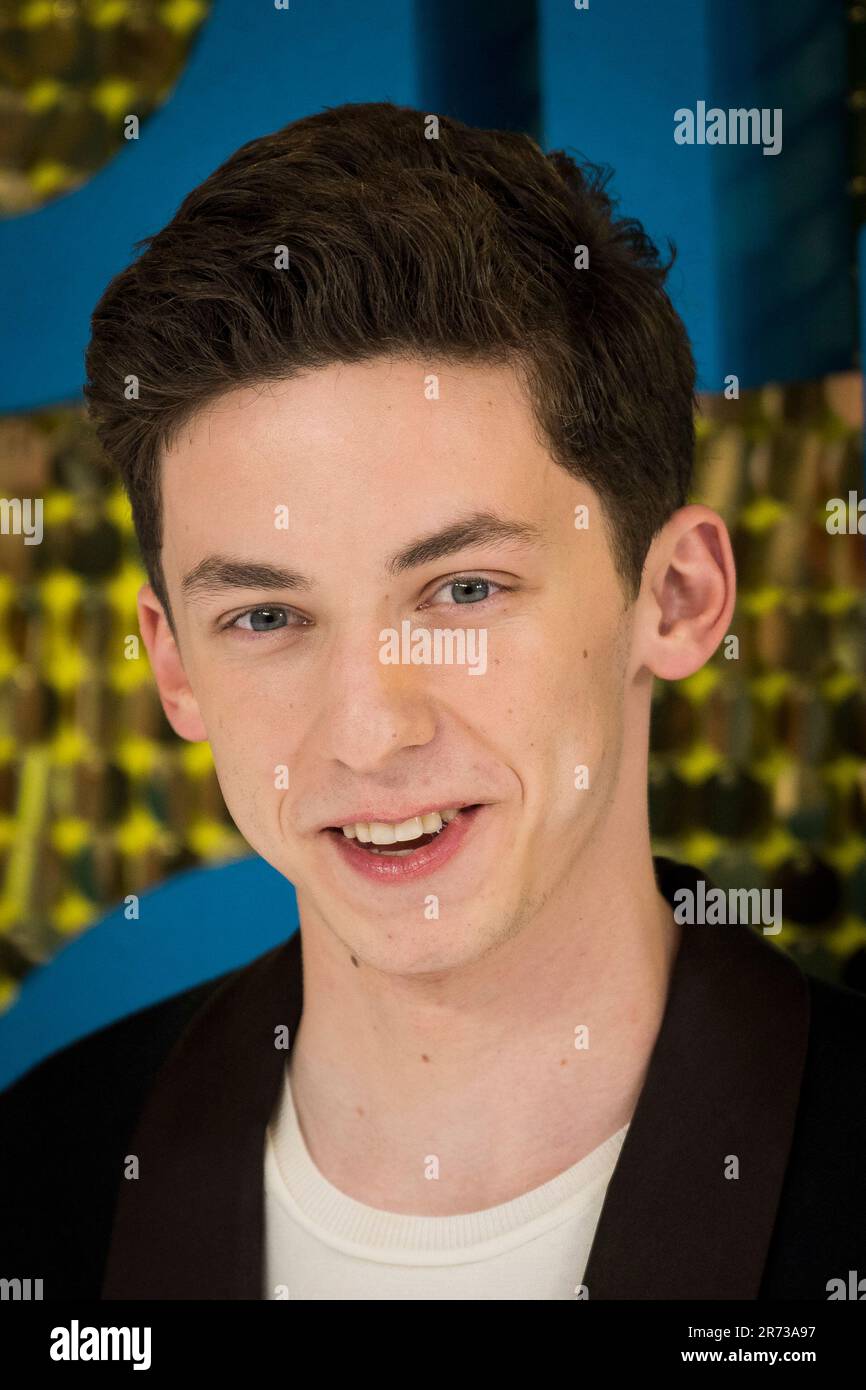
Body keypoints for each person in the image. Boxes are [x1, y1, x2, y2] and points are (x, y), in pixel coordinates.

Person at [2, 101, 864, 1301]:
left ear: (673, 599)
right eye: (265, 617)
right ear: (174, 664)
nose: (367, 729)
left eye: (462, 589)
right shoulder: (40, 1183)